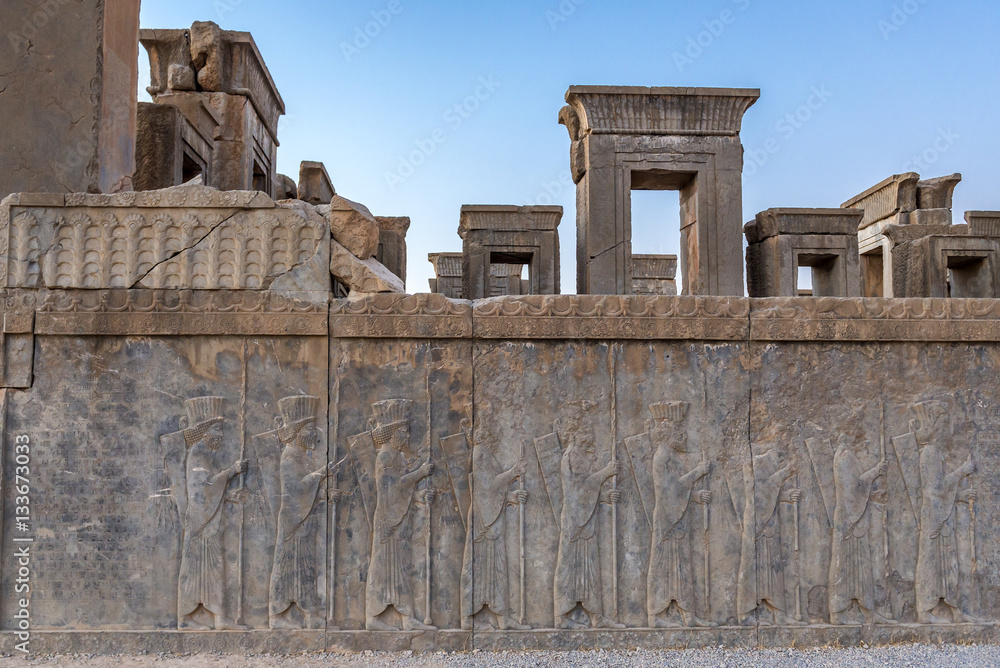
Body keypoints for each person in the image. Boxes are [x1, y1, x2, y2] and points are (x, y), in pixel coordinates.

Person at [365, 399, 436, 631]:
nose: (407, 437)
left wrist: (419, 495)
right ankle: (373, 617)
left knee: (402, 569)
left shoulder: (395, 457)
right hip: (389, 522)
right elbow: (391, 490)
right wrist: (420, 473)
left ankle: (407, 618)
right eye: (404, 432)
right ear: (393, 433)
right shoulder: (385, 457)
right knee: (383, 568)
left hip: (397, 520)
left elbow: (402, 490)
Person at [177, 396, 246, 630]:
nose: (222, 435)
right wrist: (232, 472)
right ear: (205, 431)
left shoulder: (204, 454)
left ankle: (217, 618)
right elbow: (202, 491)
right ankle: (188, 619)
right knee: (202, 569)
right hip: (202, 525)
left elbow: (206, 490)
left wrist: (228, 495)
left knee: (213, 568)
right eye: (218, 429)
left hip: (208, 522)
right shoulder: (198, 454)